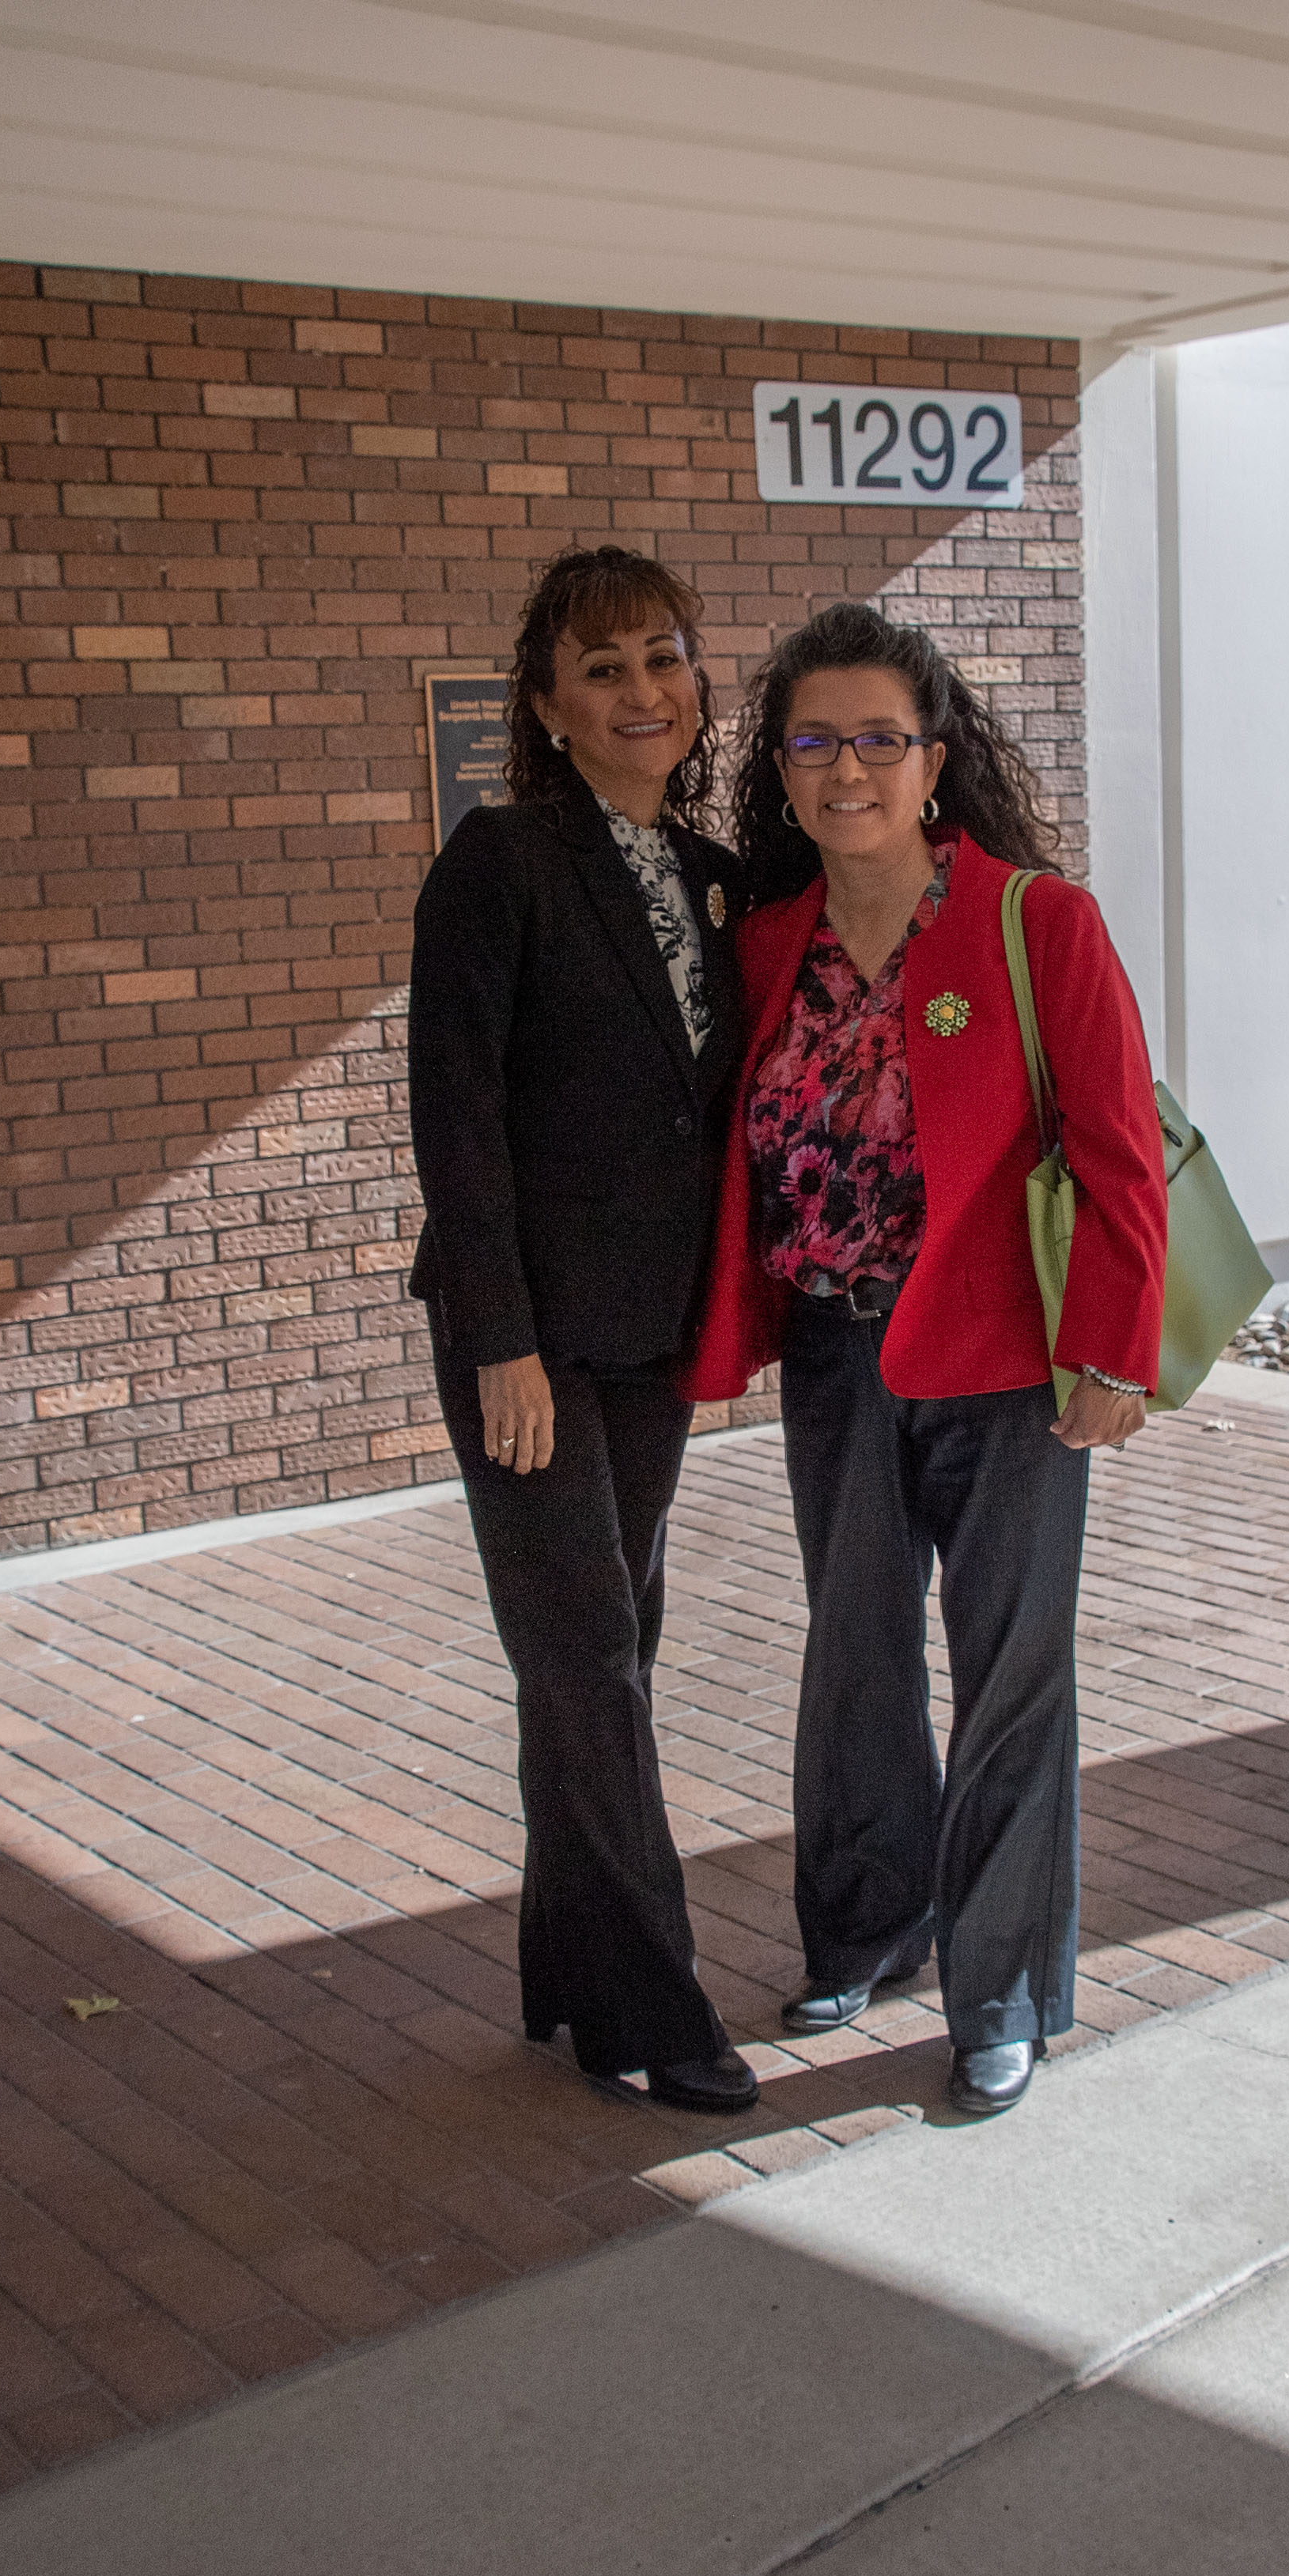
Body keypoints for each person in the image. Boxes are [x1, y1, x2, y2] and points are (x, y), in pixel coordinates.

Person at [685, 602, 1167, 2117]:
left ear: (934, 759)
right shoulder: (765, 944)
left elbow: (1121, 1156)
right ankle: (868, 1927)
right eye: (814, 741)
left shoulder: (1036, 925)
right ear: (782, 767)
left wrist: (1116, 1349)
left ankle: (1005, 1989)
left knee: (1012, 1674)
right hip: (838, 1359)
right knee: (856, 1657)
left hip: (1010, 1366)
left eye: (877, 740)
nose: (846, 770)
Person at [406, 546, 758, 2113]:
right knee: (591, 1659)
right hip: (530, 1343)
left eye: (661, 657)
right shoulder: (499, 861)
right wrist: (500, 1342)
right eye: (599, 667)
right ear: (545, 700)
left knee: (605, 1653)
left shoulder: (700, 870)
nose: (639, 692)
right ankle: (651, 2014)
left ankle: (565, 1976)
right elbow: (457, 1121)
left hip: (649, 1330)